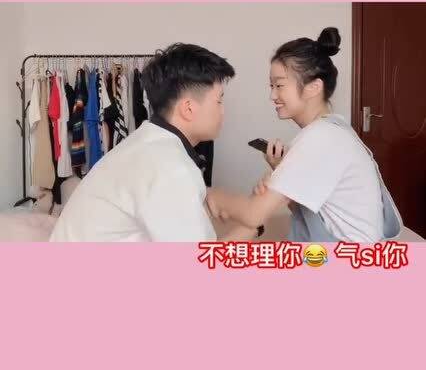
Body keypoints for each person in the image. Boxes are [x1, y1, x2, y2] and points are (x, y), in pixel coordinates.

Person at [207, 28, 403, 243]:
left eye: (279, 85)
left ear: (314, 87)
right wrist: (282, 174)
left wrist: (212, 195)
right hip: (343, 249)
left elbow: (254, 214)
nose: (272, 95)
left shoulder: (320, 137)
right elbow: (314, 212)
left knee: (248, 228)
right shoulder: (333, 130)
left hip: (346, 257)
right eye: (271, 86)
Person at [50, 44, 257, 242]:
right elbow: (200, 261)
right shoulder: (171, 166)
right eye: (219, 100)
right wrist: (252, 226)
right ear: (188, 108)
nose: (223, 111)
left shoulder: (147, 142)